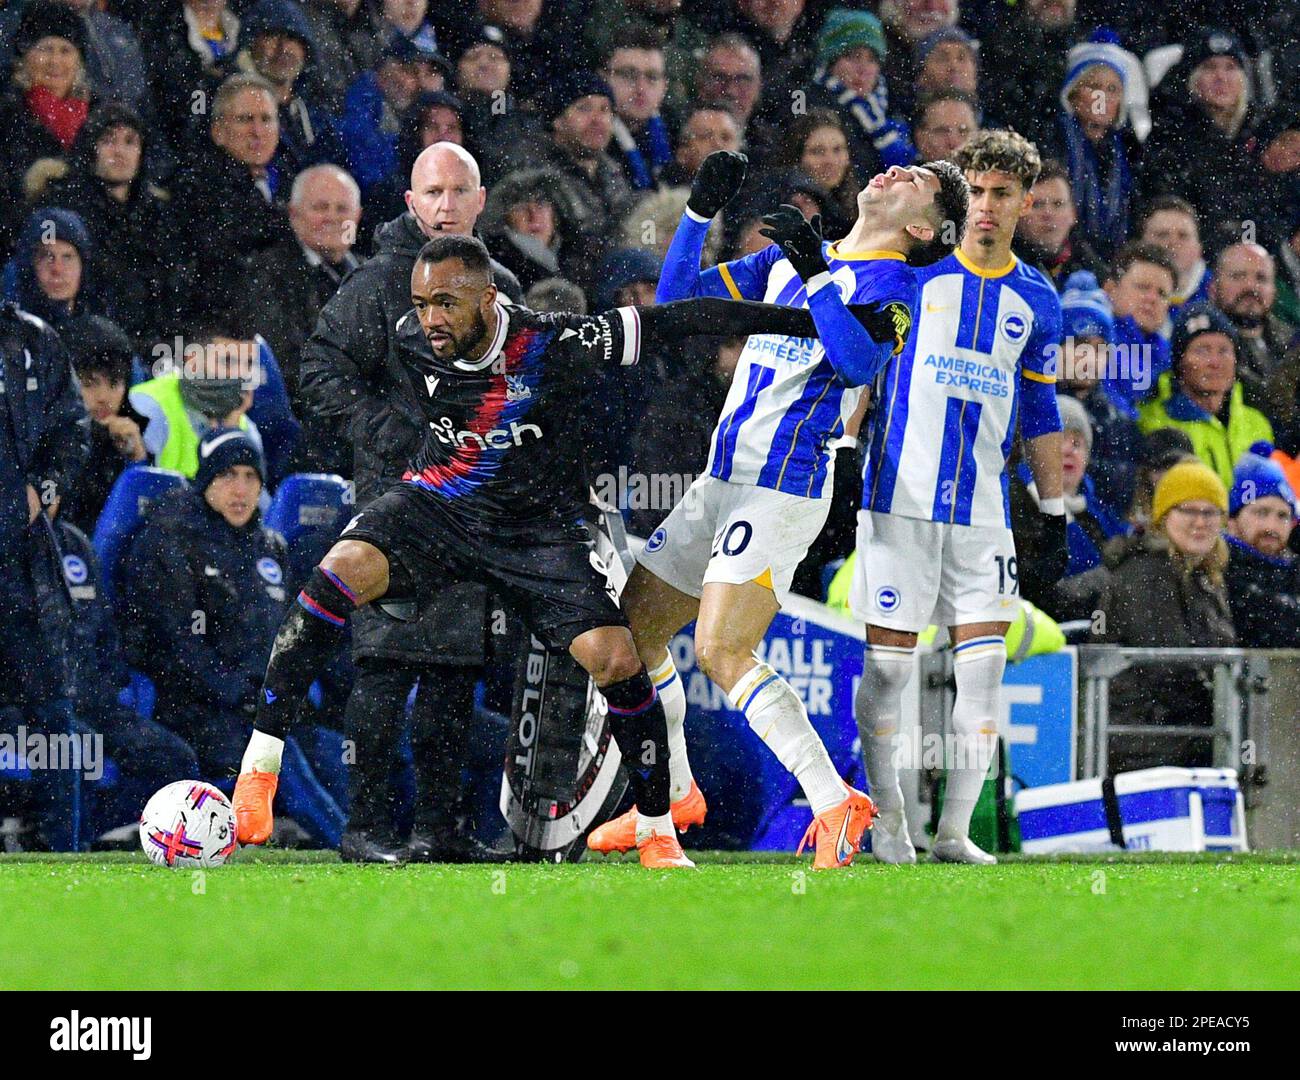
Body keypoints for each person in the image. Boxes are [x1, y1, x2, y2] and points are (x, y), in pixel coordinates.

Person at [232, 232, 848, 870]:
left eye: (446, 303)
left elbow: (688, 318)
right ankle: (258, 770)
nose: (430, 320)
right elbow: (322, 375)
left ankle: (659, 827)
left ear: (489, 297)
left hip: (535, 528)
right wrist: (385, 435)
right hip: (440, 503)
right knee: (336, 574)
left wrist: (810, 324)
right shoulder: (409, 342)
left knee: (615, 657)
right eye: (420, 304)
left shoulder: (555, 343)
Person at [593, 150, 967, 869]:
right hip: (719, 479)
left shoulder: (895, 284)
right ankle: (670, 802)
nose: (891, 173)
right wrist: (699, 214)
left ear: (925, 225)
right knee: (630, 641)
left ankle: (835, 802)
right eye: (898, 167)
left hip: (784, 486)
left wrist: (818, 274)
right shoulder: (786, 261)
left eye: (913, 180)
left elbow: (857, 363)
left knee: (722, 650)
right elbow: (677, 306)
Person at [846, 129, 1067, 865]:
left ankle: (952, 832)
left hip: (982, 516)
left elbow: (1040, 413)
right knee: (889, 671)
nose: (986, 205)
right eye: (974, 190)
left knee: (983, 673)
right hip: (896, 501)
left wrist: (1056, 507)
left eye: (1002, 193)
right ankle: (888, 821)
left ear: (1024, 204)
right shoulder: (914, 273)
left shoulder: (1037, 300)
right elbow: (861, 369)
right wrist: (841, 452)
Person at [287, 144, 509, 863]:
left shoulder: (500, 285)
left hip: (471, 506)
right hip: (395, 503)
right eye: (432, 191)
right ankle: (366, 830)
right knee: (385, 663)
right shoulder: (378, 285)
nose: (446, 204)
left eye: (459, 190)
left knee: (452, 672)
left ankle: (439, 830)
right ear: (412, 203)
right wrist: (395, 437)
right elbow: (318, 372)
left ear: (480, 200)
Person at [120, 428, 346, 846]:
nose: (240, 489)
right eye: (227, 476)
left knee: (337, 758)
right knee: (288, 769)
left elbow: (292, 637)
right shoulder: (170, 538)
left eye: (250, 476)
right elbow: (175, 644)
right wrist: (241, 695)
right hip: (196, 707)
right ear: (205, 480)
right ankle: (349, 848)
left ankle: (367, 837)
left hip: (264, 708)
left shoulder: (271, 546)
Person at [1091, 459, 1235, 772]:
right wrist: (1225, 705)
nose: (1199, 522)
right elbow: (1168, 669)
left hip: (1179, 733)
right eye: (1187, 510)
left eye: (1209, 511)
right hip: (1144, 740)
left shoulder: (1202, 578)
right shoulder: (1148, 574)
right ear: (1164, 516)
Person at [244, 162, 362, 471]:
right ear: (294, 214)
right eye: (321, 207)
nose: (333, 218)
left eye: (342, 208)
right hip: (304, 426)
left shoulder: (374, 278)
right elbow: (286, 361)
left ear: (358, 216)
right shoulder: (267, 273)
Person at [168, 73, 295, 323]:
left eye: (266, 119)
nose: (257, 131)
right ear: (218, 132)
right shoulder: (199, 187)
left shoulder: (292, 181)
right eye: (245, 119)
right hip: (223, 322)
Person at [44, 103, 172, 350]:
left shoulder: (158, 214)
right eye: (108, 141)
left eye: (130, 142)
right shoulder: (62, 209)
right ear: (91, 149)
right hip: (87, 345)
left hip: (154, 348)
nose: (120, 152)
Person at [1138, 303, 1274, 488]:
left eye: (1224, 351)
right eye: (1202, 350)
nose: (1215, 362)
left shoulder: (1257, 424)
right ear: (1180, 362)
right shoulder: (1152, 422)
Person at [1055, 271, 1143, 516]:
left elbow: (1127, 487)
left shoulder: (1119, 421)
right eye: (1077, 344)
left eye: (1099, 348)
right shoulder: (1031, 409)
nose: (1088, 357)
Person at [58, 315, 146, 535]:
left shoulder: (132, 436)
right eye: (89, 384)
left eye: (115, 383)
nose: (104, 397)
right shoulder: (46, 441)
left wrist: (137, 460)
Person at [1224, 451, 1300, 647]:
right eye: (1261, 512)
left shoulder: (1293, 573)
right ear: (1231, 520)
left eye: (1282, 516)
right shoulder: (1219, 569)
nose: (1271, 526)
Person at [1209, 242, 1298, 408]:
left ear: (1274, 290)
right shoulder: (1200, 342)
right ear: (1213, 287)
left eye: (1261, 278)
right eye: (1238, 276)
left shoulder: (1292, 341)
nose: (1250, 286)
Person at [1101, 241, 1177, 416]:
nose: (1152, 298)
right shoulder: (1091, 338)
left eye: (1162, 293)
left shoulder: (1170, 360)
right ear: (1111, 289)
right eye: (1143, 287)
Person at [1013, 158, 1107, 288]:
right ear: (1017, 214)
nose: (1048, 214)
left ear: (1073, 213)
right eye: (1037, 205)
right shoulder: (1003, 265)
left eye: (1058, 204)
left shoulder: (1092, 268)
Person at [599, 28, 673, 191]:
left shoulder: (677, 131)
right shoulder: (594, 135)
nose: (641, 88)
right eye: (628, 75)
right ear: (604, 78)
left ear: (664, 86)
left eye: (652, 77)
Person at [1139, 196, 1211, 328]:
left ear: (1199, 248)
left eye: (1183, 236)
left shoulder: (1216, 290)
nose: (1172, 243)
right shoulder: (1124, 290)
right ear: (1143, 244)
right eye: (1162, 235)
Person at [911, 88, 977, 164]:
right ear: (921, 138)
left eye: (963, 132)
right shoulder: (904, 174)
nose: (953, 143)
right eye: (942, 131)